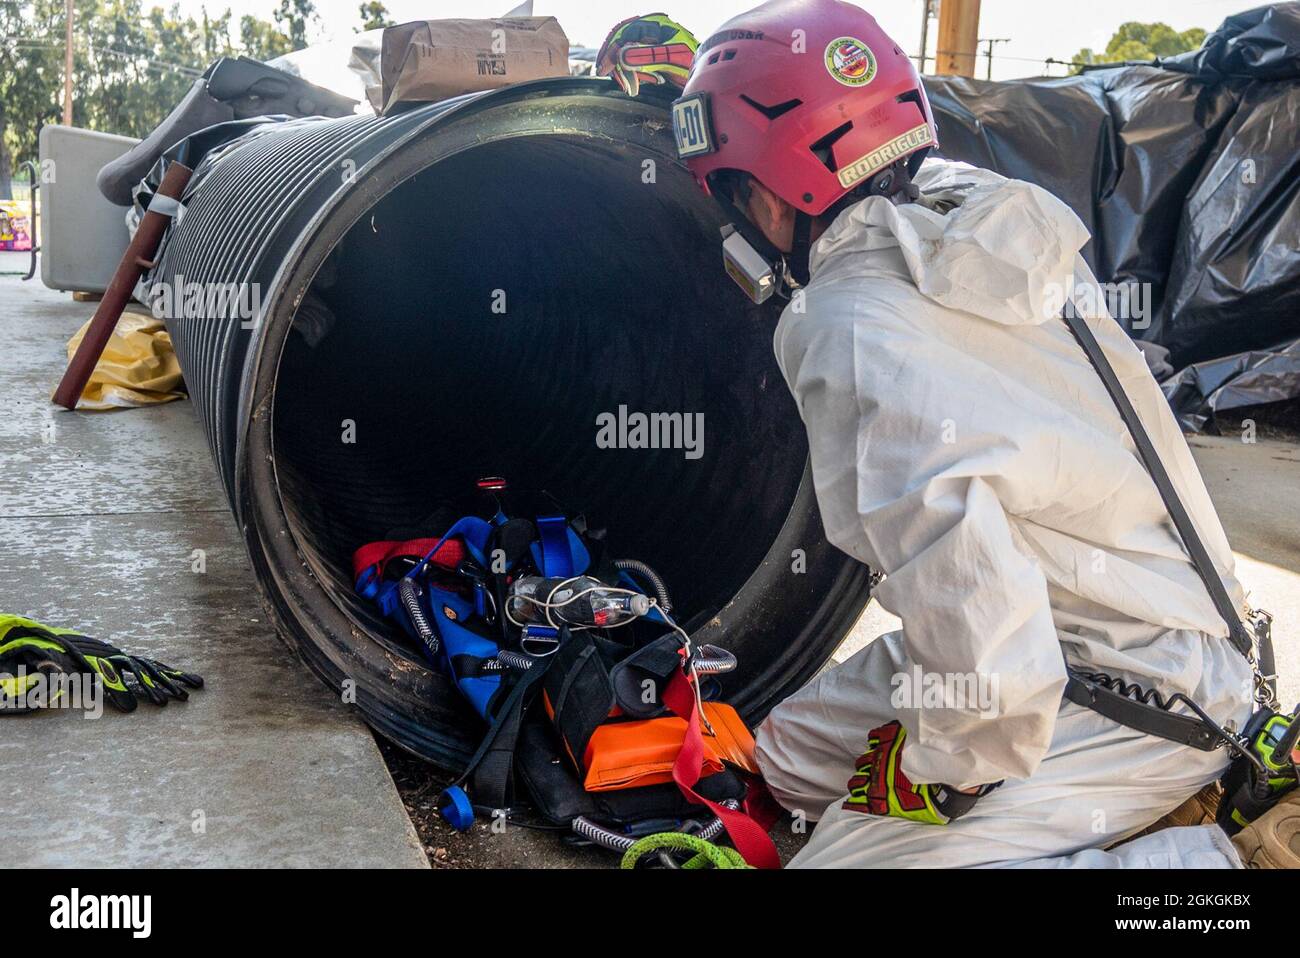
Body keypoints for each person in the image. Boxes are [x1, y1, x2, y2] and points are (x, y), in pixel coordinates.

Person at [673, 0, 1295, 868]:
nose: (734, 216)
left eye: (731, 187)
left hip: (1132, 690)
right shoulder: (981, 216)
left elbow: (972, 607)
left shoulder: (849, 325)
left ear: (775, 188)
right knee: (786, 760)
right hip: (1109, 627)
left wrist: (945, 774)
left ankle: (1217, 865)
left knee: (847, 863)